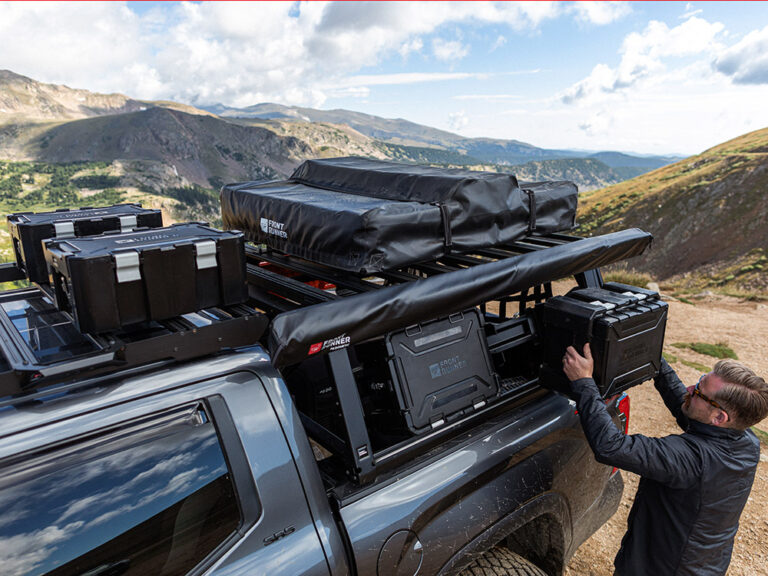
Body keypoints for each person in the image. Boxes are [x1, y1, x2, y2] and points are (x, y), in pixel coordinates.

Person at [562, 343, 768, 576]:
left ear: (719, 417)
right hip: (705, 564)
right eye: (699, 381)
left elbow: (611, 446)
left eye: (698, 392)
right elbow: (687, 410)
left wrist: (583, 383)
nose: (689, 389)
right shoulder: (745, 441)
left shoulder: (690, 459)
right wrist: (651, 356)